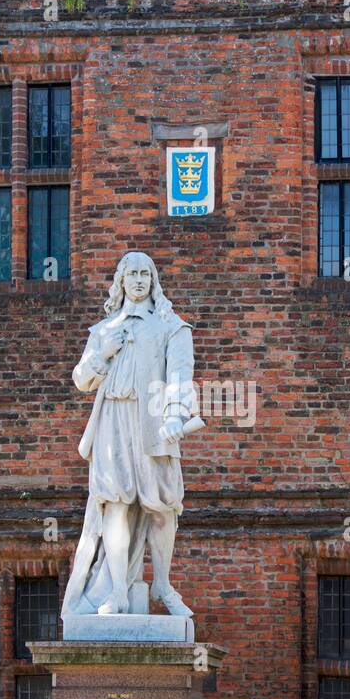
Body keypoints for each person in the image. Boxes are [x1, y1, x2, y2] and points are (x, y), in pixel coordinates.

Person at [62, 251, 197, 618]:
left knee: (163, 505)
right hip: (113, 423)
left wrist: (175, 415)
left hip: (154, 423)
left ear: (153, 281)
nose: (138, 280)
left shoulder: (171, 326)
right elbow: (82, 381)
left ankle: (164, 585)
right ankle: (119, 593)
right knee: (116, 505)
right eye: (131, 273)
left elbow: (181, 378)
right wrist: (100, 355)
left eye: (145, 274)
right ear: (121, 281)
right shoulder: (103, 331)